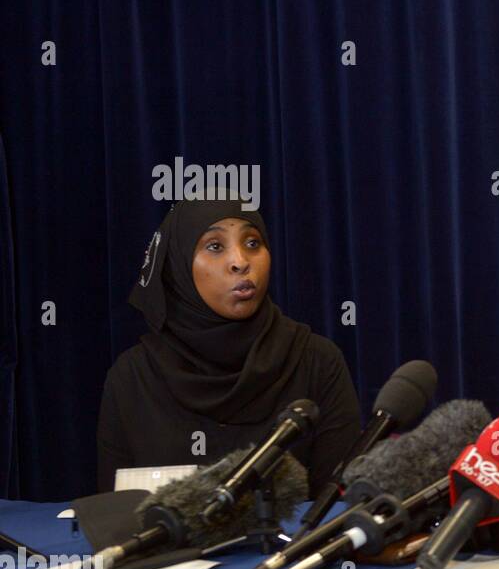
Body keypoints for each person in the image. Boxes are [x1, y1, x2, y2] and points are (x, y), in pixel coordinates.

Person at [97, 198, 361, 493]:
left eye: (252, 243)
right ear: (178, 265)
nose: (240, 261)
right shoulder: (132, 378)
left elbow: (339, 504)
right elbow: (114, 515)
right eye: (215, 246)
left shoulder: (316, 361)